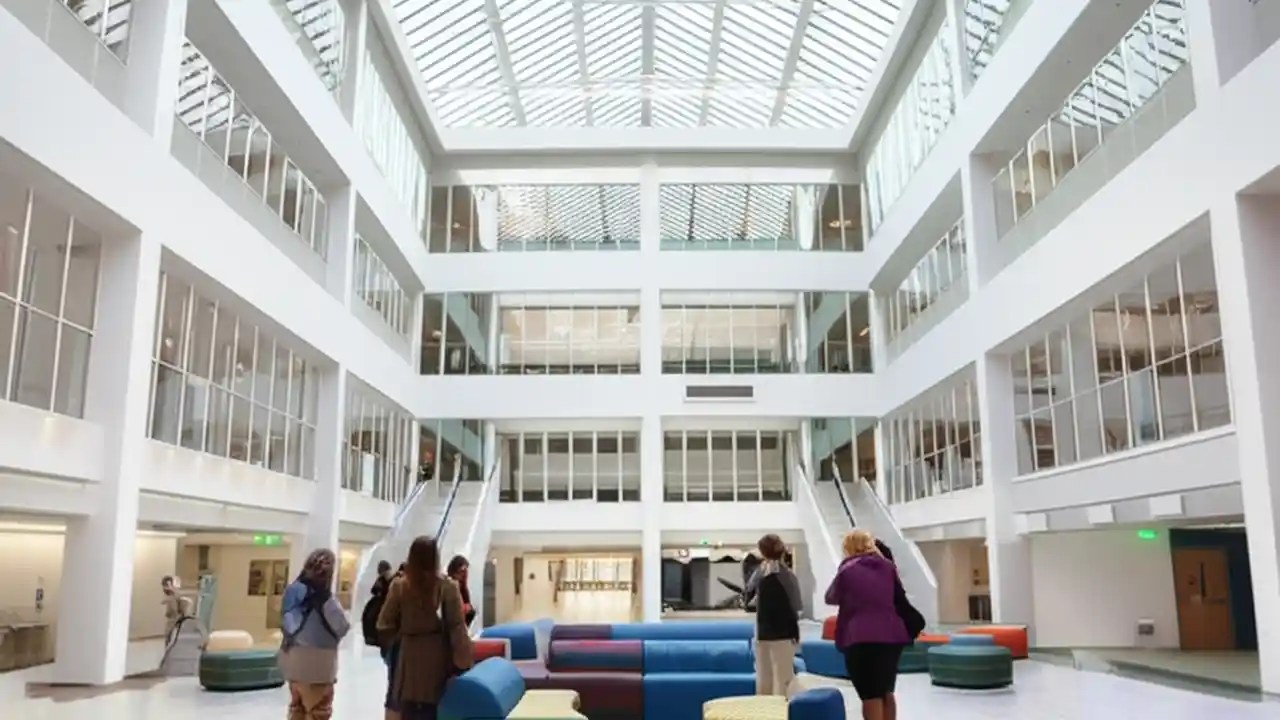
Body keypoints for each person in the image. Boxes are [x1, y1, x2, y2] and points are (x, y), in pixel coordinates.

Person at [378, 536, 474, 720]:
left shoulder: (399, 586)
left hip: (408, 659)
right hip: (437, 655)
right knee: (434, 707)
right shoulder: (447, 587)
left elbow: (384, 623)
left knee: (409, 708)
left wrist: (402, 634)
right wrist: (465, 659)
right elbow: (457, 627)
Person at [826, 530, 909, 720]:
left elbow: (831, 597)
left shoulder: (847, 569)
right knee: (886, 690)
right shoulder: (888, 567)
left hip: (860, 636)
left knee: (870, 694)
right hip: (891, 635)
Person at [278, 548, 351, 720]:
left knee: (297, 710)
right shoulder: (326, 599)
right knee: (318, 712)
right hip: (320, 665)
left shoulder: (293, 590)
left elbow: (286, 623)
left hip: (293, 661)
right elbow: (342, 627)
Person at [752, 534, 802, 696]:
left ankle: (764, 712)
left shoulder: (759, 573)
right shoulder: (787, 575)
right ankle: (783, 712)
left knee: (764, 678)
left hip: (763, 631)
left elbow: (748, 596)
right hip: (784, 633)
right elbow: (796, 605)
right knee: (784, 678)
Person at [362, 561, 395, 648]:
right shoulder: (382, 579)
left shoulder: (391, 579)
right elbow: (374, 590)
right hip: (379, 602)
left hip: (384, 602)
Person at [446, 555, 477, 627]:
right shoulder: (448, 587)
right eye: (462, 571)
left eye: (466, 571)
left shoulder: (463, 589)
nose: (465, 574)